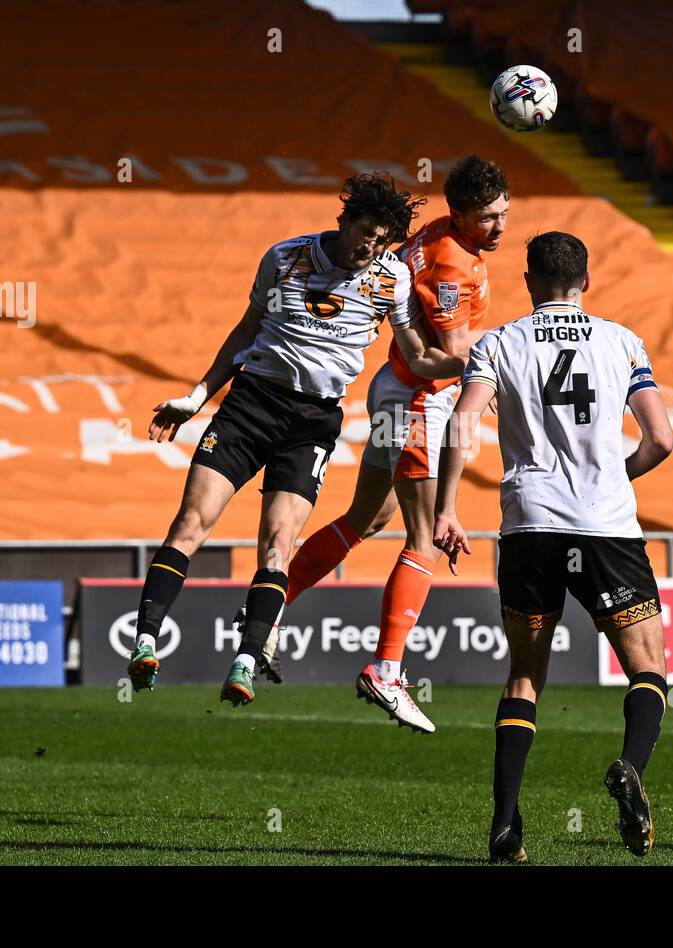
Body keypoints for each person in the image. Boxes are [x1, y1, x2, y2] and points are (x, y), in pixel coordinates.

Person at [130, 172, 462, 706]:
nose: (369, 248)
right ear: (345, 221)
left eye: (381, 241)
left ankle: (246, 660)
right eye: (364, 233)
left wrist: (479, 363)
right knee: (192, 522)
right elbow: (245, 330)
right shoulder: (286, 256)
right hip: (251, 405)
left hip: (313, 423)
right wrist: (196, 397)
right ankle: (146, 639)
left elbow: (420, 355)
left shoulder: (391, 279)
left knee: (278, 546)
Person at [432, 231, 673, 862]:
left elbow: (463, 421)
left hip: (531, 524)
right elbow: (661, 439)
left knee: (524, 676)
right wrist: (615, 478)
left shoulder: (501, 342)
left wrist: (447, 508)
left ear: (530, 281)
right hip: (607, 526)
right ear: (586, 281)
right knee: (648, 667)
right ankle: (629, 765)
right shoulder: (623, 342)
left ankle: (506, 824)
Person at [279, 155, 509, 733]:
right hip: (418, 399)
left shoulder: (440, 235)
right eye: (488, 218)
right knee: (428, 536)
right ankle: (386, 669)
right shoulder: (451, 265)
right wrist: (506, 365)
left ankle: (268, 608)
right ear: (460, 214)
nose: (500, 226)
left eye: (504, 213)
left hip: (394, 392)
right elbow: (455, 349)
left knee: (367, 517)